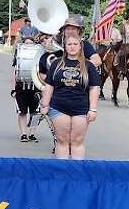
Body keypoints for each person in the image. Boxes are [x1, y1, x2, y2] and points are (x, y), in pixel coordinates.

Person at [38, 31, 99, 159]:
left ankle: (77, 173)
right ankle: (62, 172)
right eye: (69, 44)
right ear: (65, 46)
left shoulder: (88, 66)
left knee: (77, 141)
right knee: (62, 140)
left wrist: (93, 109)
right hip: (58, 108)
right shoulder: (56, 64)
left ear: (80, 46)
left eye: (75, 44)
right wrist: (44, 104)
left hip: (81, 109)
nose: (72, 46)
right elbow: (49, 85)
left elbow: (94, 88)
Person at [11, 27, 43, 143]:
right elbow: (15, 70)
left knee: (36, 112)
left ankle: (32, 133)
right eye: (26, 39)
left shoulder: (40, 50)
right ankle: (23, 134)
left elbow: (43, 69)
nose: (28, 42)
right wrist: (13, 88)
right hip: (21, 84)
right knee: (22, 111)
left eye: (31, 39)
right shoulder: (19, 50)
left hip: (36, 85)